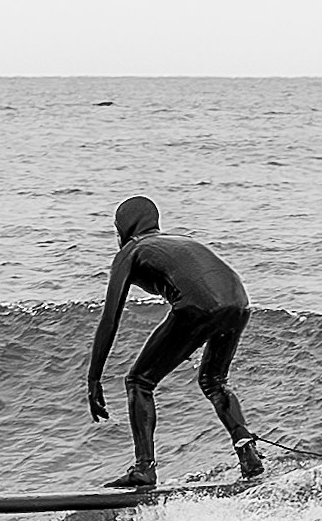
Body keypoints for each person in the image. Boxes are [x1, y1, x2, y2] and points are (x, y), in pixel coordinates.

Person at [82, 195, 263, 487]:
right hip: (239, 301)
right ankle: (246, 450)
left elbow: (109, 318)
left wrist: (94, 378)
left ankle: (144, 469)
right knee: (214, 382)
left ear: (124, 229)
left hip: (199, 305)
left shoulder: (131, 250)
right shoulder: (180, 240)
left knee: (139, 382)